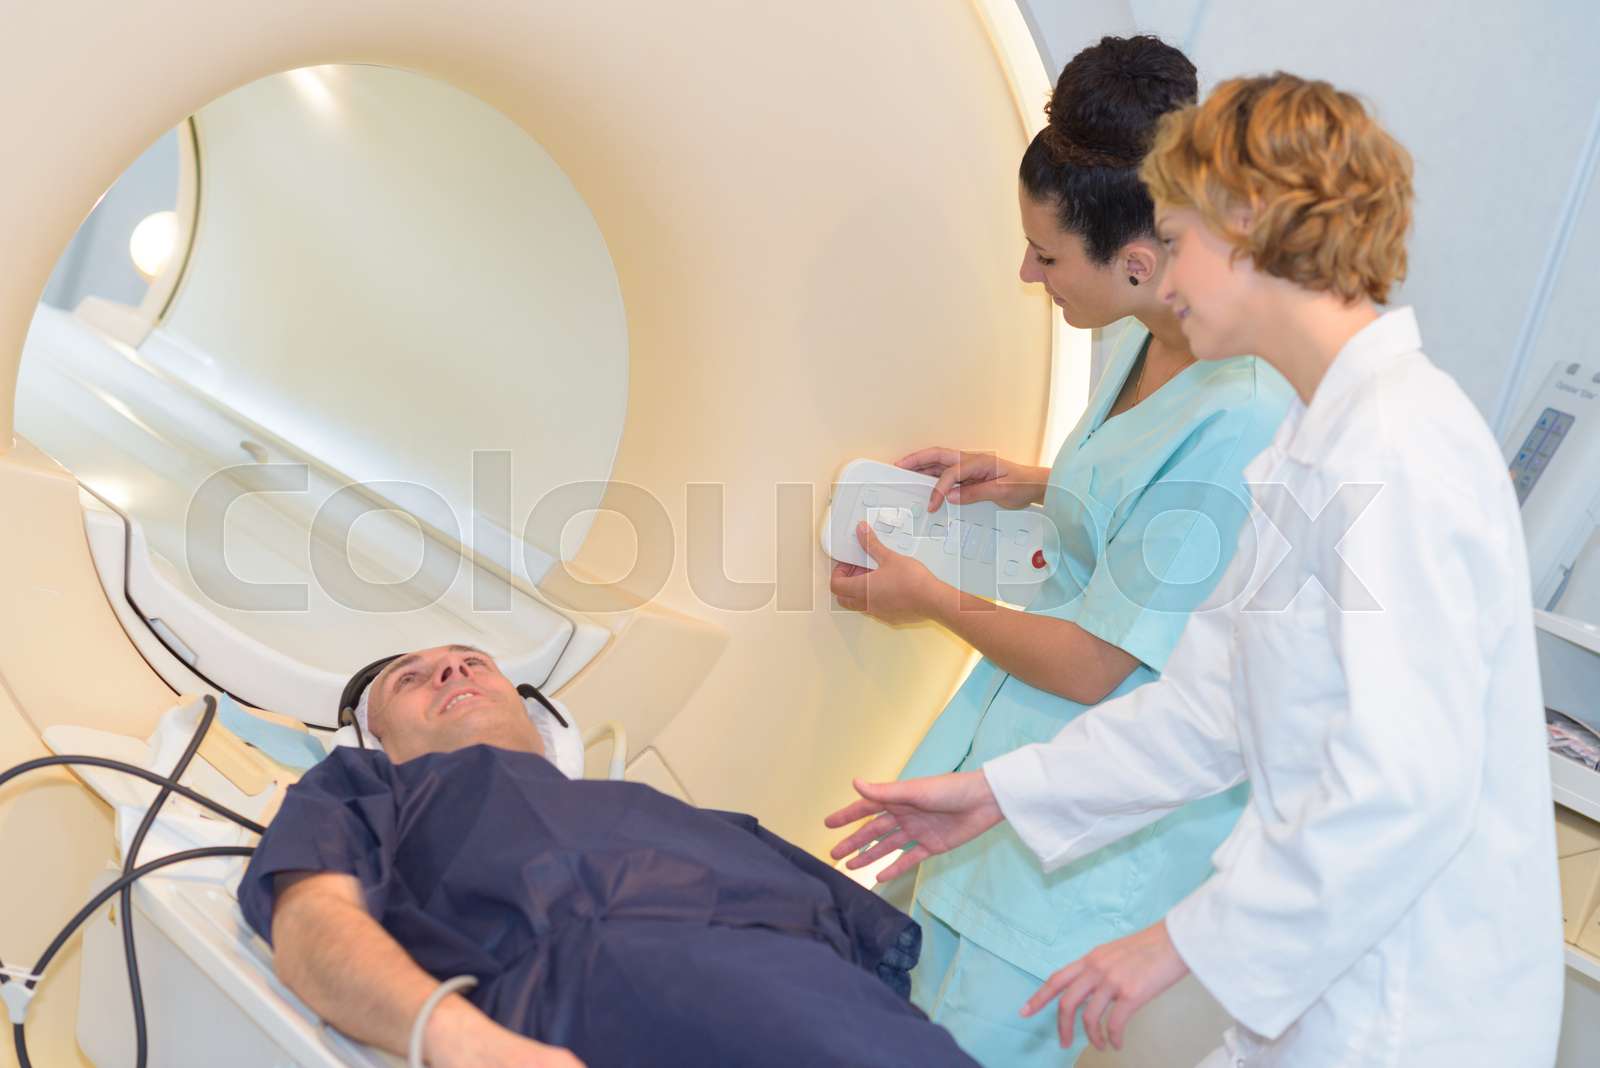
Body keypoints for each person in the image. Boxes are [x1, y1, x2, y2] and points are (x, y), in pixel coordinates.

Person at [827, 73, 1565, 1066]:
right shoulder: (1314, 440)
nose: (1159, 284)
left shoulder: (1397, 452)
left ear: (1250, 235)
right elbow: (1207, 705)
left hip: (1406, 1013)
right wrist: (1005, 792)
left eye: (1173, 243)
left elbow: (1401, 788)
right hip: (1316, 992)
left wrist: (1178, 941)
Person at [827, 36, 1290, 1065]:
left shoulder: (1245, 408)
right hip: (991, 780)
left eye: (1044, 254)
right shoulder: (1139, 331)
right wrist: (1030, 479)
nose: (1026, 272)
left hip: (1080, 847)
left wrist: (929, 597)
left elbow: (1094, 665)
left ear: (1135, 257)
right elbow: (1139, 497)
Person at [238, 644, 979, 1068]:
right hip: (618, 989)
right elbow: (311, 924)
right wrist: (460, 1041)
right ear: (374, 737)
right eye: (412, 678)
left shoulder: (698, 818)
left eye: (474, 662)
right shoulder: (365, 787)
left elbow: (870, 964)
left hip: (850, 1014)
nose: (453, 673)